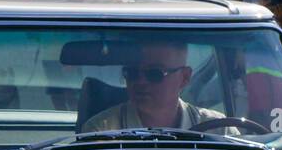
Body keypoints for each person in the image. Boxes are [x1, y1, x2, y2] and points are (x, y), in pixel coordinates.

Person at [82, 42, 224, 131]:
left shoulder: (219, 129)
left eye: (155, 73)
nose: (140, 81)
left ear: (184, 77)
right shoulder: (101, 131)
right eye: (132, 73)